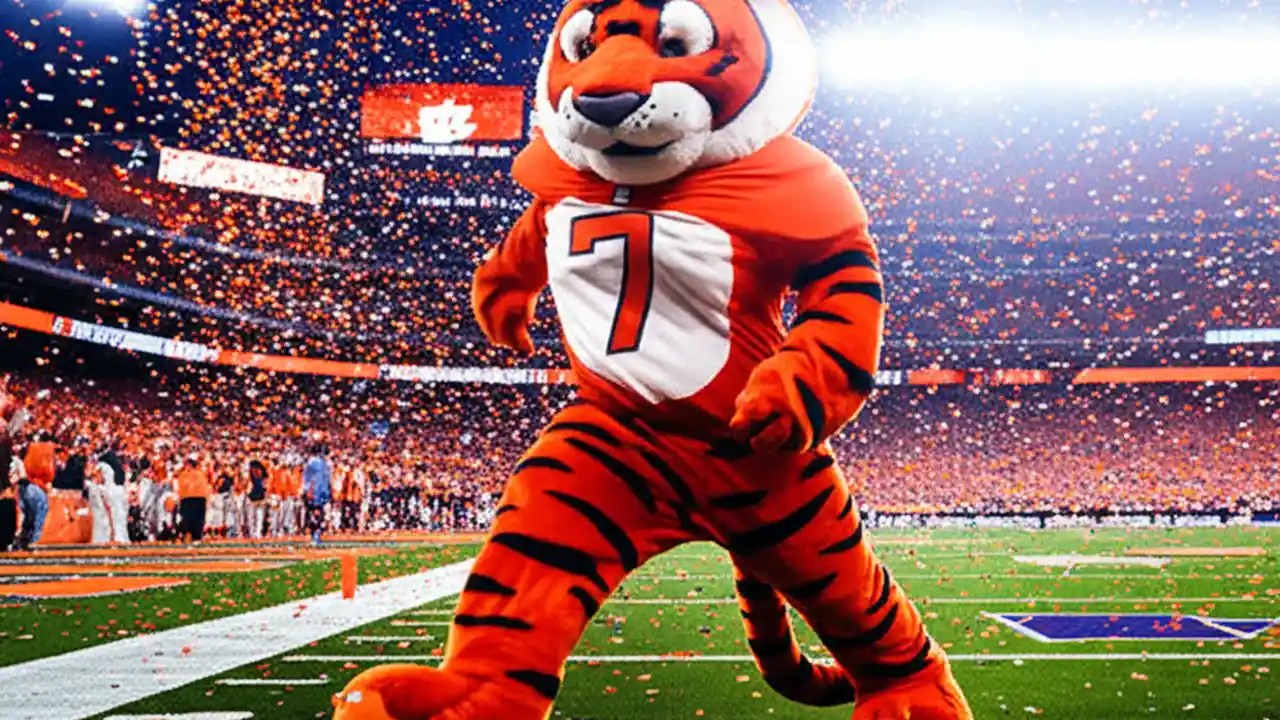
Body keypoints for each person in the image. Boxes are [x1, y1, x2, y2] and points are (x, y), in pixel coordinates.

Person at [19, 431, 54, 550]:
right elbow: (48, 472)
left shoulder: (30, 449)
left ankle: (24, 539)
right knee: (39, 513)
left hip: (25, 486)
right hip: (36, 486)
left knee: (29, 516)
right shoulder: (45, 450)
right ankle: (34, 540)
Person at [174, 453, 210, 543]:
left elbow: (204, 488)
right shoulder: (184, 474)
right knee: (188, 522)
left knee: (196, 522)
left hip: (196, 499)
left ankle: (195, 538)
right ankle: (190, 537)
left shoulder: (199, 474)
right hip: (188, 499)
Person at [302, 444, 332, 546]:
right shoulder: (316, 463)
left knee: (318, 515)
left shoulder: (321, 463)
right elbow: (309, 478)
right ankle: (315, 535)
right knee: (316, 514)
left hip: (319, 491)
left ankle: (316, 535)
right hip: (317, 491)